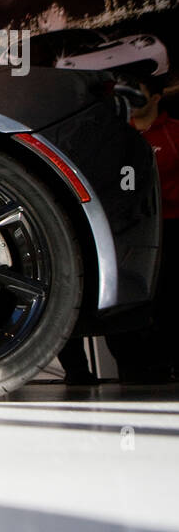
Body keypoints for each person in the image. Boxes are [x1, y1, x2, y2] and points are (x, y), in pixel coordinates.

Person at [104, 72, 179, 381]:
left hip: (172, 229)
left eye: (139, 90)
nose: (132, 97)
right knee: (130, 304)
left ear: (156, 97)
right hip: (128, 233)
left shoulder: (174, 132)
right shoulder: (115, 138)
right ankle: (133, 372)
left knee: (170, 303)